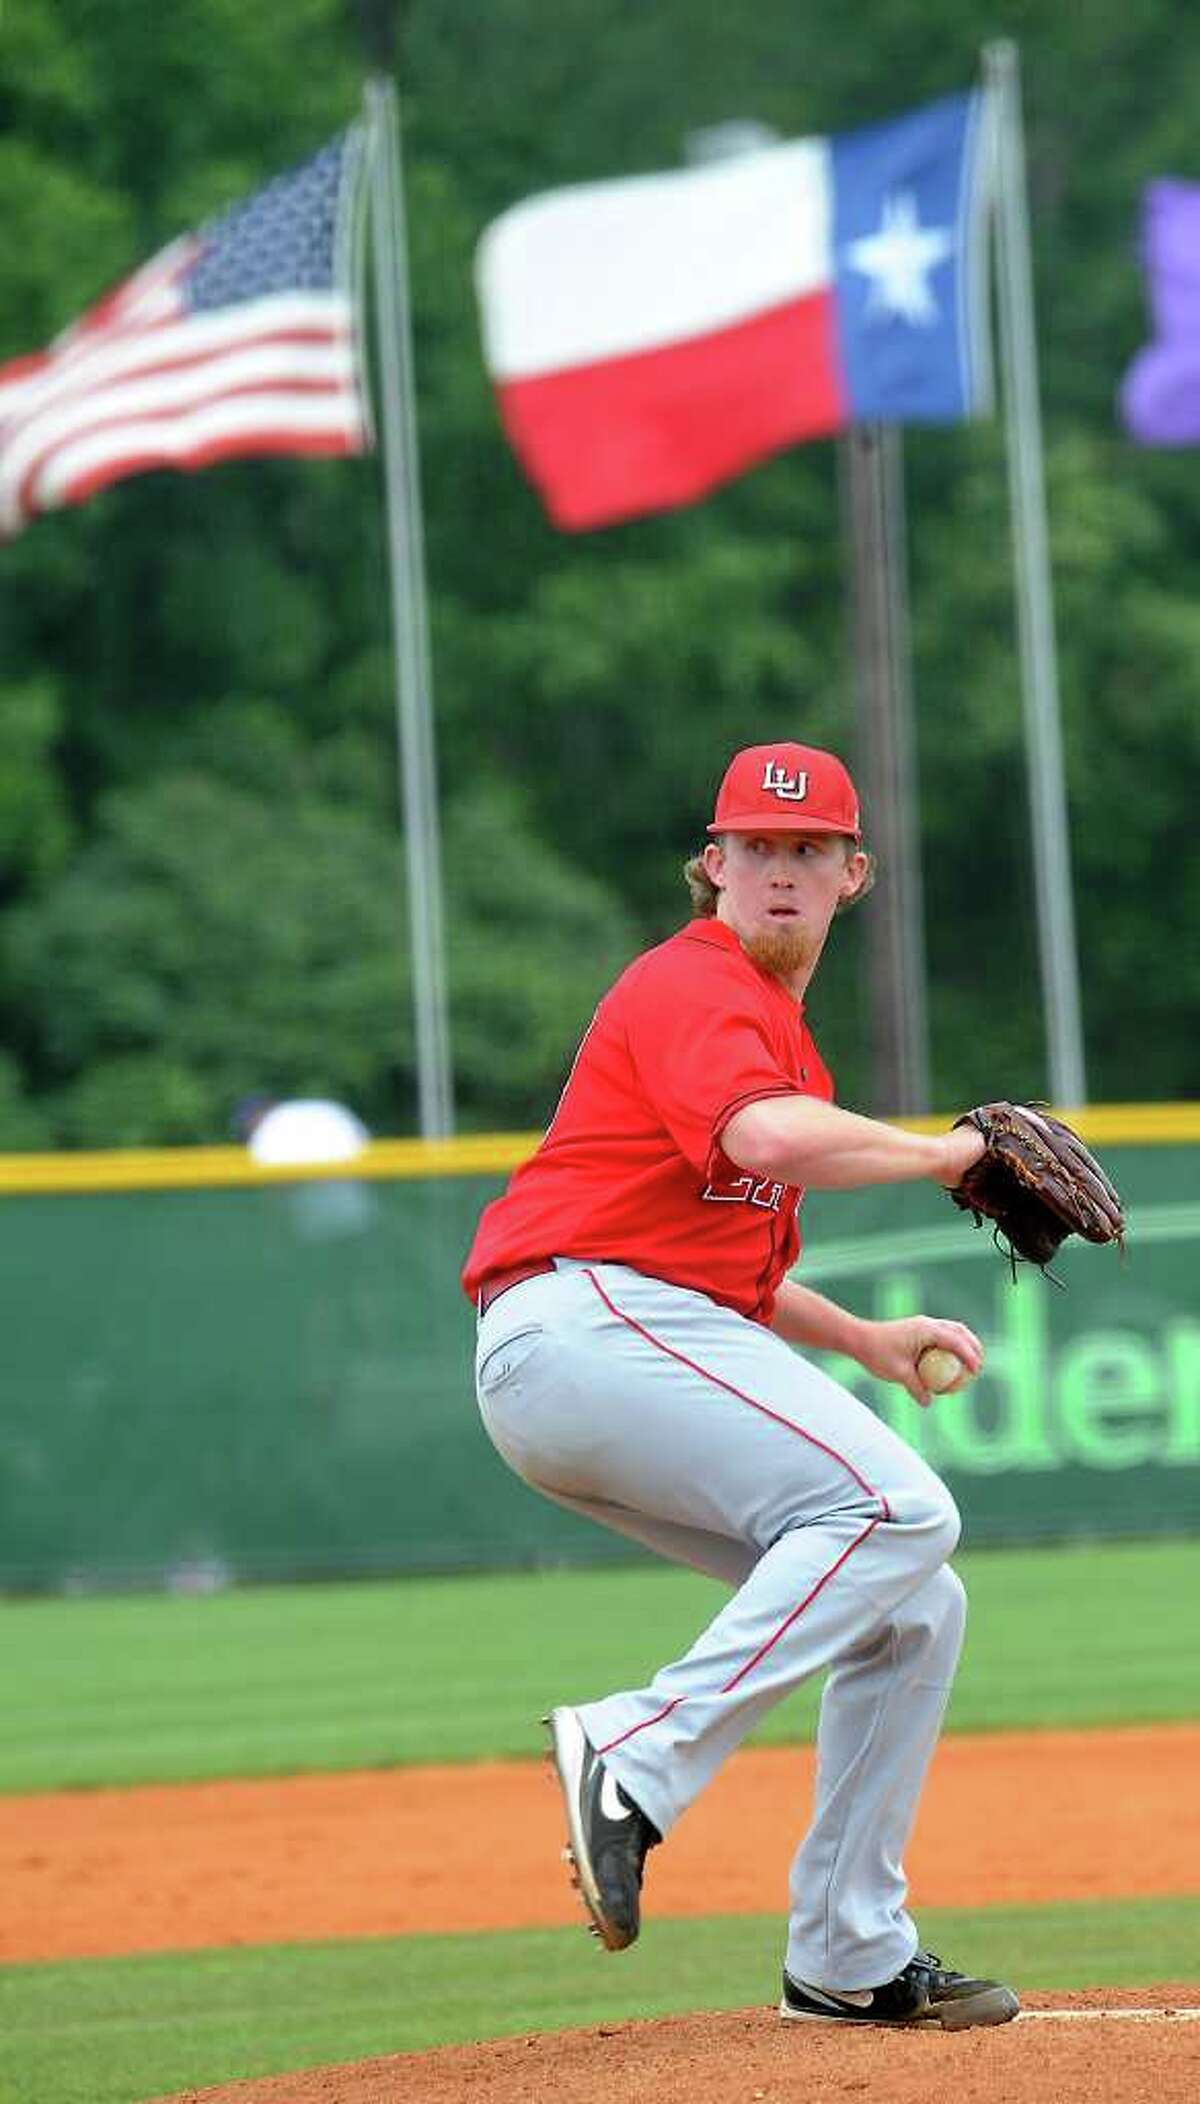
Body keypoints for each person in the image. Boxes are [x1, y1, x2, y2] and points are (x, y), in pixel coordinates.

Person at [461, 740, 1019, 2032]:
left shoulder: (785, 1047)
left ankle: (846, 1951)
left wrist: (869, 1339)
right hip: (578, 1321)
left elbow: (734, 1285)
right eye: (756, 849)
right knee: (902, 1508)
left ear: (852, 876)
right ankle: (634, 1759)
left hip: (596, 1345)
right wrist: (947, 1155)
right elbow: (762, 1140)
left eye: (807, 850)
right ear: (711, 870)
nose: (780, 872)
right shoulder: (694, 986)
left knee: (914, 1606)